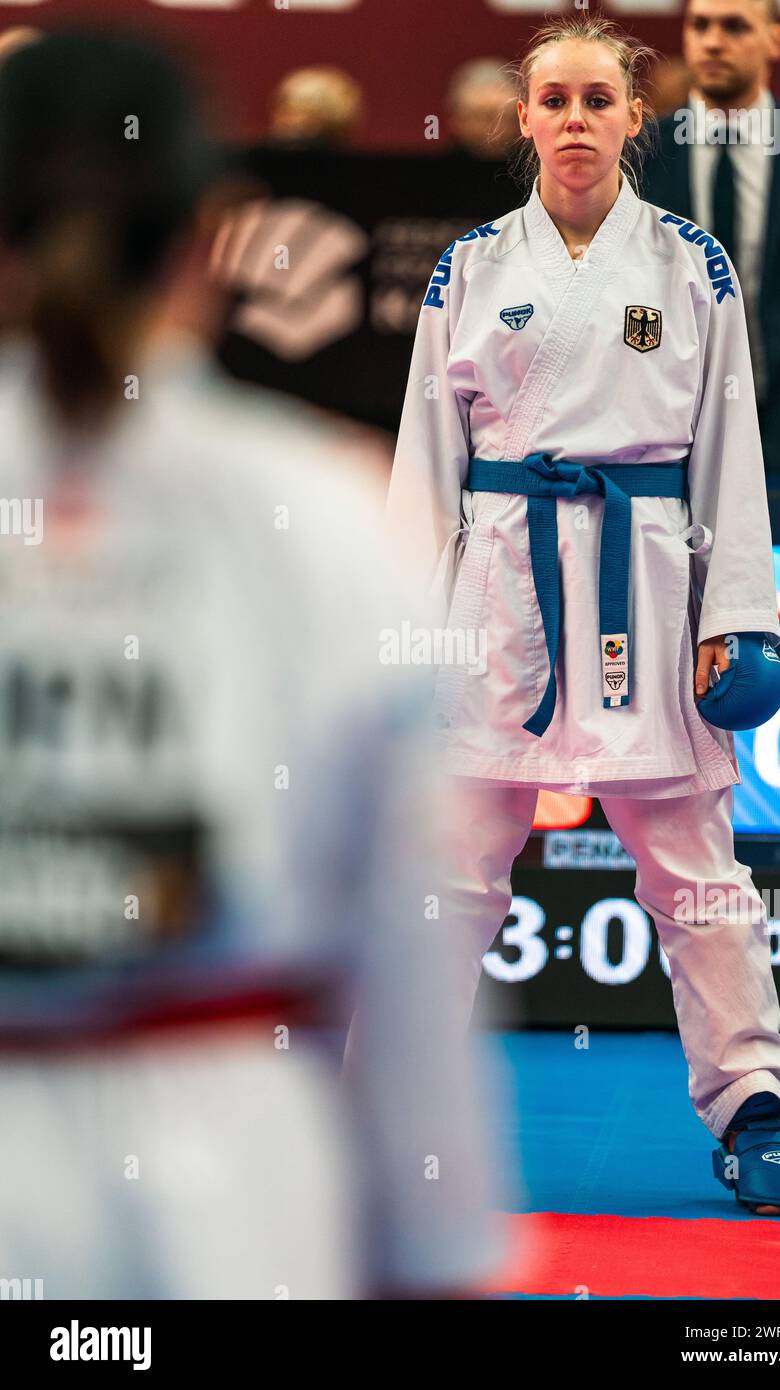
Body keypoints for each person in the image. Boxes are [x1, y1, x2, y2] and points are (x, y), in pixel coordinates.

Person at [0, 26, 501, 1299]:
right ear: (216, 231)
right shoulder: (325, 515)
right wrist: (441, 1250)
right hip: (232, 1188)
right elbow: (403, 939)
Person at [387, 13, 780, 1218]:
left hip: (647, 573)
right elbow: (426, 456)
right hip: (496, 592)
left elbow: (729, 451)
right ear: (523, 120)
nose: (575, 118)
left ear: (635, 118)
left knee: (696, 870)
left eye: (597, 98)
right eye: (554, 99)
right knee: (450, 871)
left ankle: (752, 1109)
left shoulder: (690, 263)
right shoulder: (468, 265)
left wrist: (740, 615)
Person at [640, 0, 780, 478]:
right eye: (700, 25)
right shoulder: (640, 156)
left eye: (735, 26)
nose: (714, 41)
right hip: (660, 443)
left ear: (777, 39)